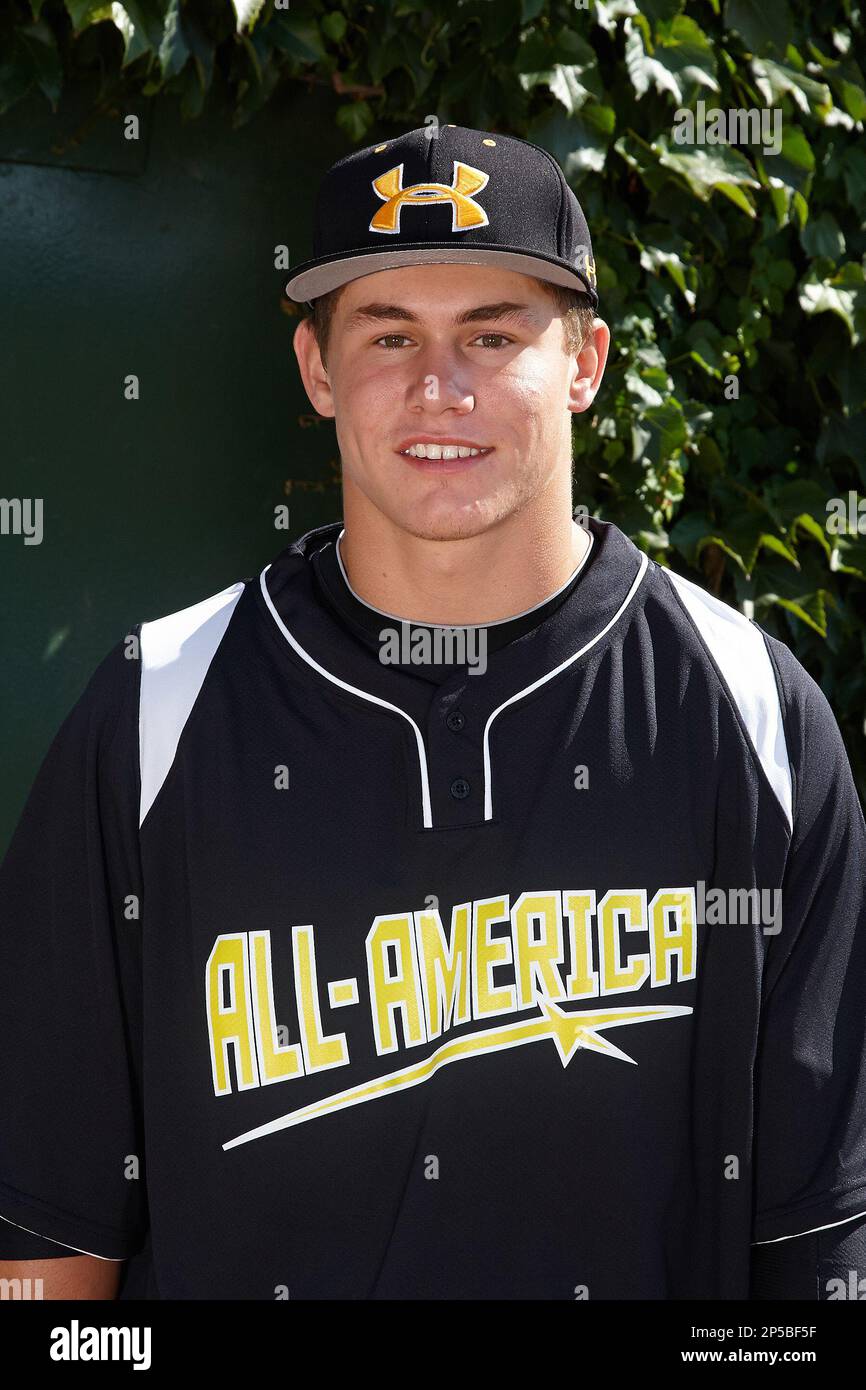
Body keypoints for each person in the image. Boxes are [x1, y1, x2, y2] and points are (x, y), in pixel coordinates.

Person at [1, 124, 864, 1300]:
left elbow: (816, 1246)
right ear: (314, 367)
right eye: (388, 333)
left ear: (585, 361)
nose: (436, 386)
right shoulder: (154, 706)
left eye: (491, 335)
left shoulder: (752, 712)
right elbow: (51, 1246)